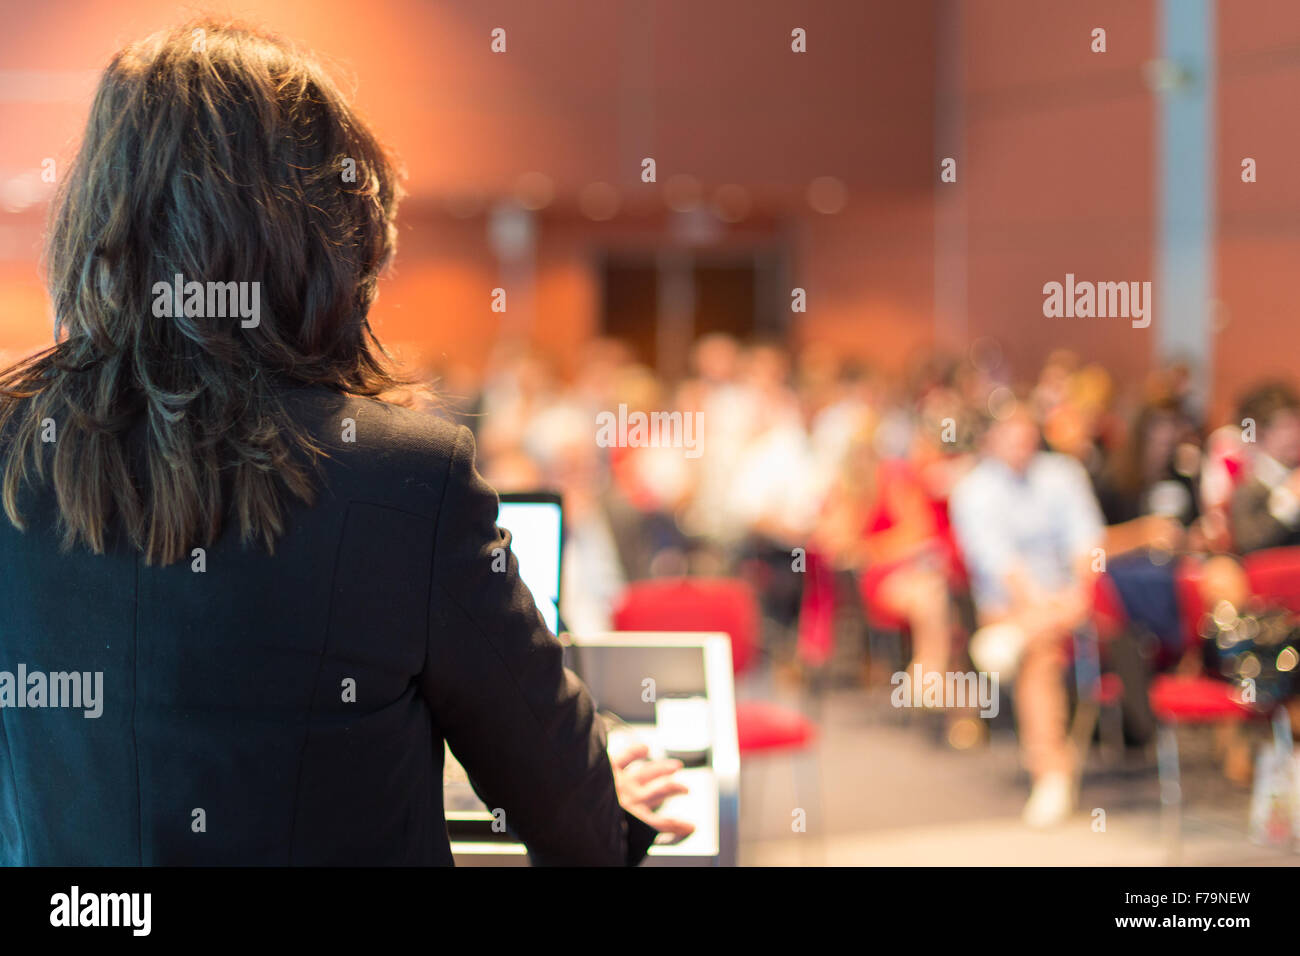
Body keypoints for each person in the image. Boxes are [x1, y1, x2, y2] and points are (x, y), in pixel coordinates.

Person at [0, 19, 690, 865]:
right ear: (330, 240)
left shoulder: (11, 447)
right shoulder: (403, 479)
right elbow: (576, 830)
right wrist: (609, 796)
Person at [950, 397, 1105, 827]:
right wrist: (1044, 607)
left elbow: (1086, 541)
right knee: (1041, 650)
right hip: (1010, 604)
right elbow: (999, 565)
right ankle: (1050, 772)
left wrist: (1077, 590)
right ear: (989, 441)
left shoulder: (1063, 474)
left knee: (1034, 637)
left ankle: (1018, 638)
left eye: (1027, 436)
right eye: (1010, 438)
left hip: (1072, 595)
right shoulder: (973, 489)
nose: (1021, 445)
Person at [1229, 382, 1300, 553]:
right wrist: (1290, 499)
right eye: (1285, 426)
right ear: (1261, 433)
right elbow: (1249, 544)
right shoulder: (1249, 487)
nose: (1295, 435)